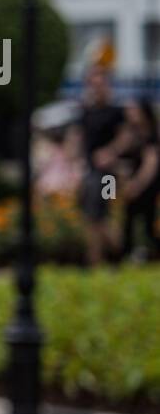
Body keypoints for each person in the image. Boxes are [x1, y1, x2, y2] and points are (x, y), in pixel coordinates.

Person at [77, 66, 126, 265]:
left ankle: (117, 254)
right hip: (90, 173)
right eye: (93, 84)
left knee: (103, 217)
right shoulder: (86, 112)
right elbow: (79, 140)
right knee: (92, 218)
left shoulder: (116, 111)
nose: (97, 88)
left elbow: (127, 136)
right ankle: (98, 260)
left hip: (108, 175)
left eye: (100, 84)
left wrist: (110, 152)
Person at [118, 100, 160, 261]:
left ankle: (130, 253)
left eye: (134, 110)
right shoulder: (127, 133)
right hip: (114, 181)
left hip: (142, 185)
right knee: (116, 211)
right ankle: (121, 252)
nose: (130, 113)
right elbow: (116, 156)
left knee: (142, 220)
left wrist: (136, 185)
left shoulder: (150, 135)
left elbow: (151, 164)